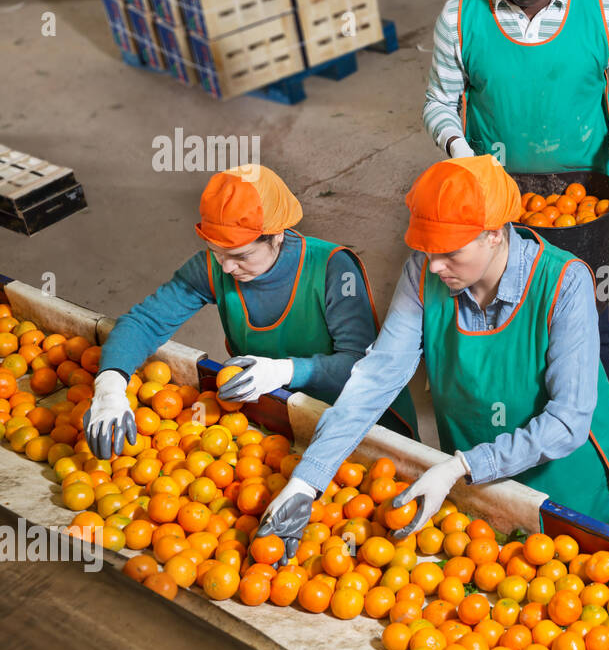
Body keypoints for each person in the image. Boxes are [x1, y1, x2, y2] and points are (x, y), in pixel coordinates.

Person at [255, 155, 609, 561]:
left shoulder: (564, 282)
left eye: (449, 252)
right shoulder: (423, 274)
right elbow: (378, 376)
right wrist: (306, 481)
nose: (436, 265)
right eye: (428, 250)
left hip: (567, 482)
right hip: (475, 477)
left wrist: (462, 467)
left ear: (494, 234)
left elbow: (568, 421)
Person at [422, 0, 609, 383]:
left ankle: (594, 420)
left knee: (589, 318)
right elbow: (439, 102)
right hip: (497, 202)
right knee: (505, 314)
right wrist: (461, 153)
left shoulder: (603, 13)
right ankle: (511, 417)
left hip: (585, 205)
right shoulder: (459, 18)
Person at [82, 165, 418, 458]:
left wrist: (285, 372)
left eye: (241, 255)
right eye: (216, 251)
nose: (226, 268)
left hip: (362, 421)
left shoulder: (334, 269)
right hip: (282, 418)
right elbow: (145, 322)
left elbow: (363, 367)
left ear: (276, 237)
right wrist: (110, 385)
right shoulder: (213, 268)